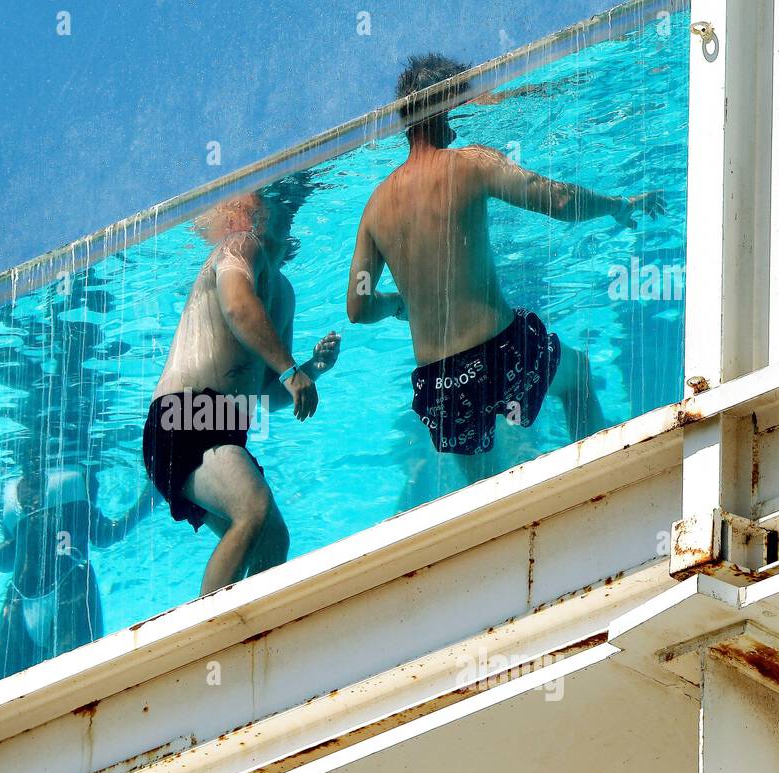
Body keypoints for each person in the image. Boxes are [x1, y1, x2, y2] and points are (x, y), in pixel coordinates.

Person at [347, 53, 665, 495]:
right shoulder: (470, 163)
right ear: (445, 108)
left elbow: (358, 308)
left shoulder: (376, 205)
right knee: (579, 377)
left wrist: (401, 302)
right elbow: (554, 200)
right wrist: (617, 205)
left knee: (487, 496)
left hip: (441, 382)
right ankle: (609, 491)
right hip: (503, 356)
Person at [143, 177, 341, 596]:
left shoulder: (283, 293)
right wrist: (292, 370)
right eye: (272, 209)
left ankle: (251, 633)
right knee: (252, 509)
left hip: (222, 428)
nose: (282, 216)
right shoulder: (237, 247)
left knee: (273, 538)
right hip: (183, 415)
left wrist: (312, 369)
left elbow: (267, 396)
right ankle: (210, 643)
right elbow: (236, 305)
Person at [0, 433, 152, 685]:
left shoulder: (74, 478)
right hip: (25, 599)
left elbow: (101, 534)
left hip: (68, 592)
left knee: (73, 691)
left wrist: (149, 498)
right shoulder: (12, 492)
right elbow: (10, 557)